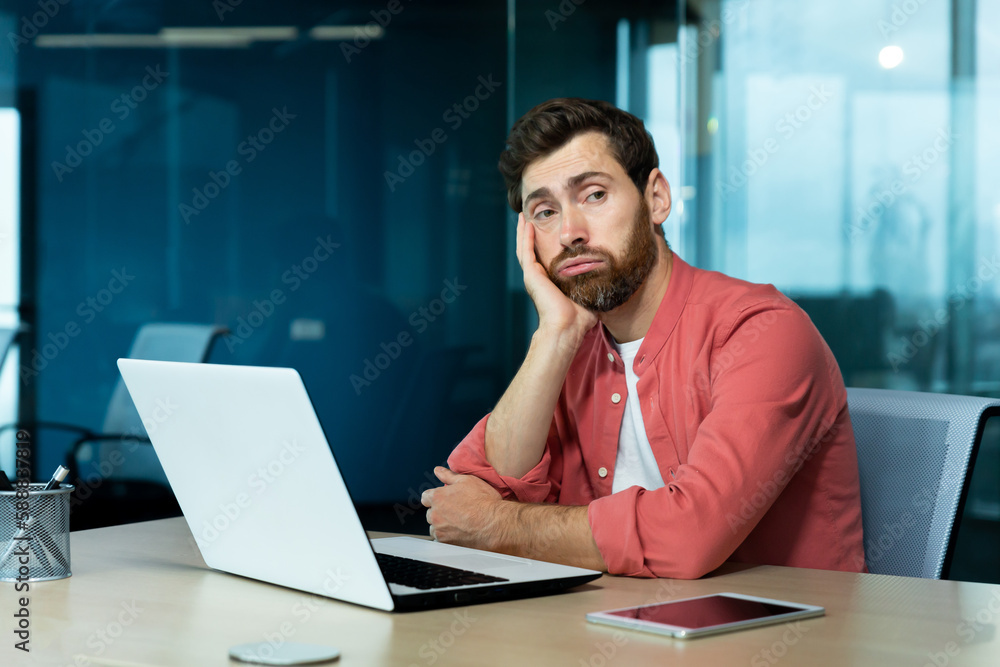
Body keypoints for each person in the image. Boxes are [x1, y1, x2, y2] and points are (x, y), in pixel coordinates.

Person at [420, 98, 866, 578]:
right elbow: (481, 490)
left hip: (777, 639)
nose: (570, 232)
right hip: (616, 627)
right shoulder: (573, 347)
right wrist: (555, 333)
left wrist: (498, 525)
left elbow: (687, 537)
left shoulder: (763, 331)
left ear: (656, 199)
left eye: (594, 195)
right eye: (545, 212)